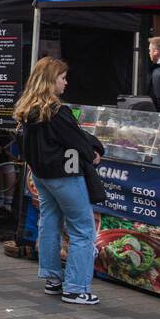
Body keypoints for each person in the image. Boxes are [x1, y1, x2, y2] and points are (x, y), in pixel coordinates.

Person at [14, 56, 105, 305]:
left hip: (42, 176)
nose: (66, 83)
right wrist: (94, 153)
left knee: (50, 223)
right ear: (49, 80)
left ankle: (53, 278)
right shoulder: (57, 111)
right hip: (65, 175)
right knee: (83, 229)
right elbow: (77, 141)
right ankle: (76, 288)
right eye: (62, 78)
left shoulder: (27, 109)